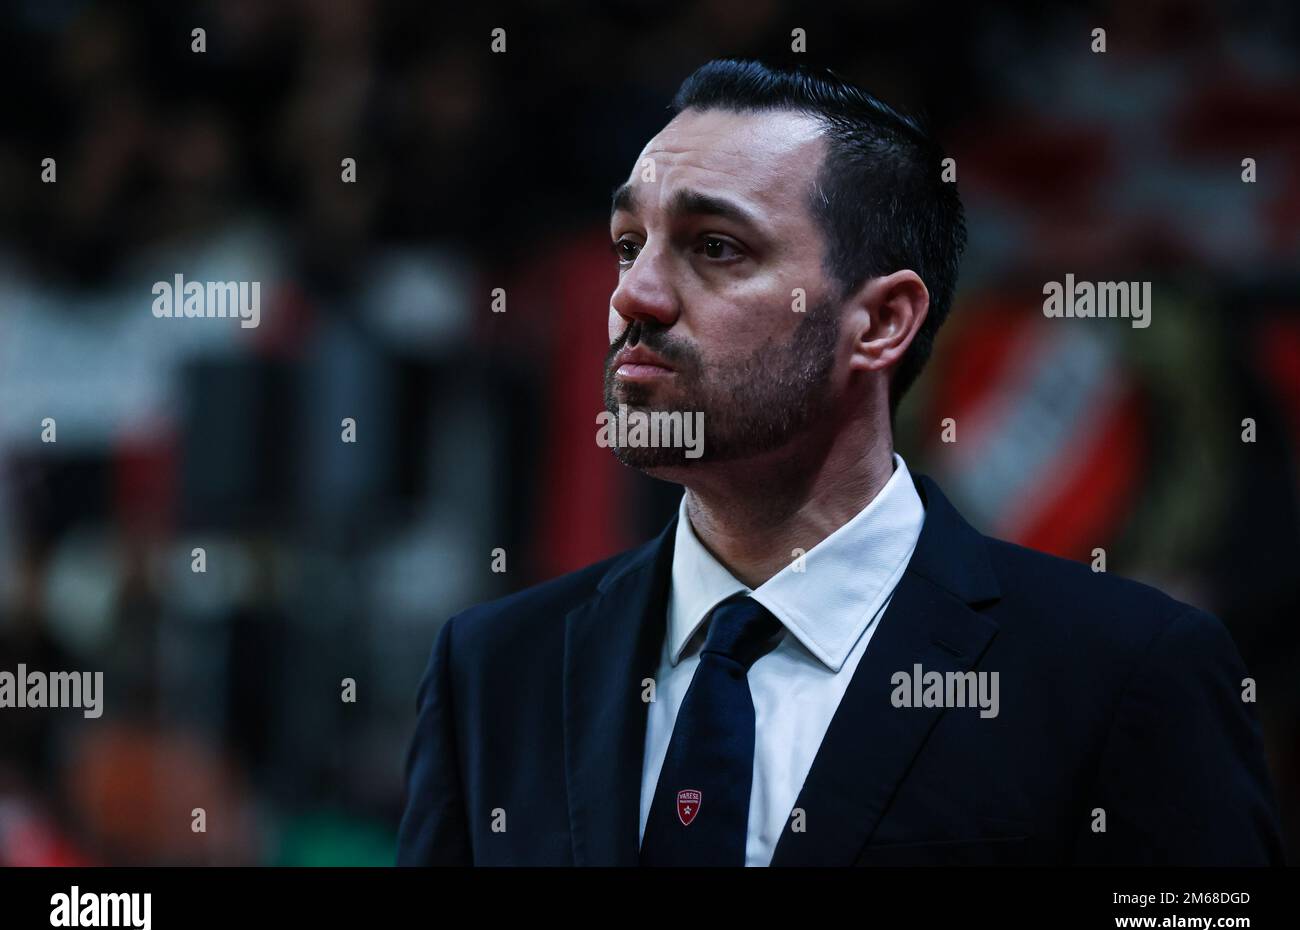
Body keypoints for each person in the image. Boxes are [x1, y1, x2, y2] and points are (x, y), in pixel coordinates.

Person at [396, 58, 1285, 866]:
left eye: (715, 248)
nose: (634, 292)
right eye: (631, 243)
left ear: (883, 321)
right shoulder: (493, 670)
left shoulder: (1125, 668)